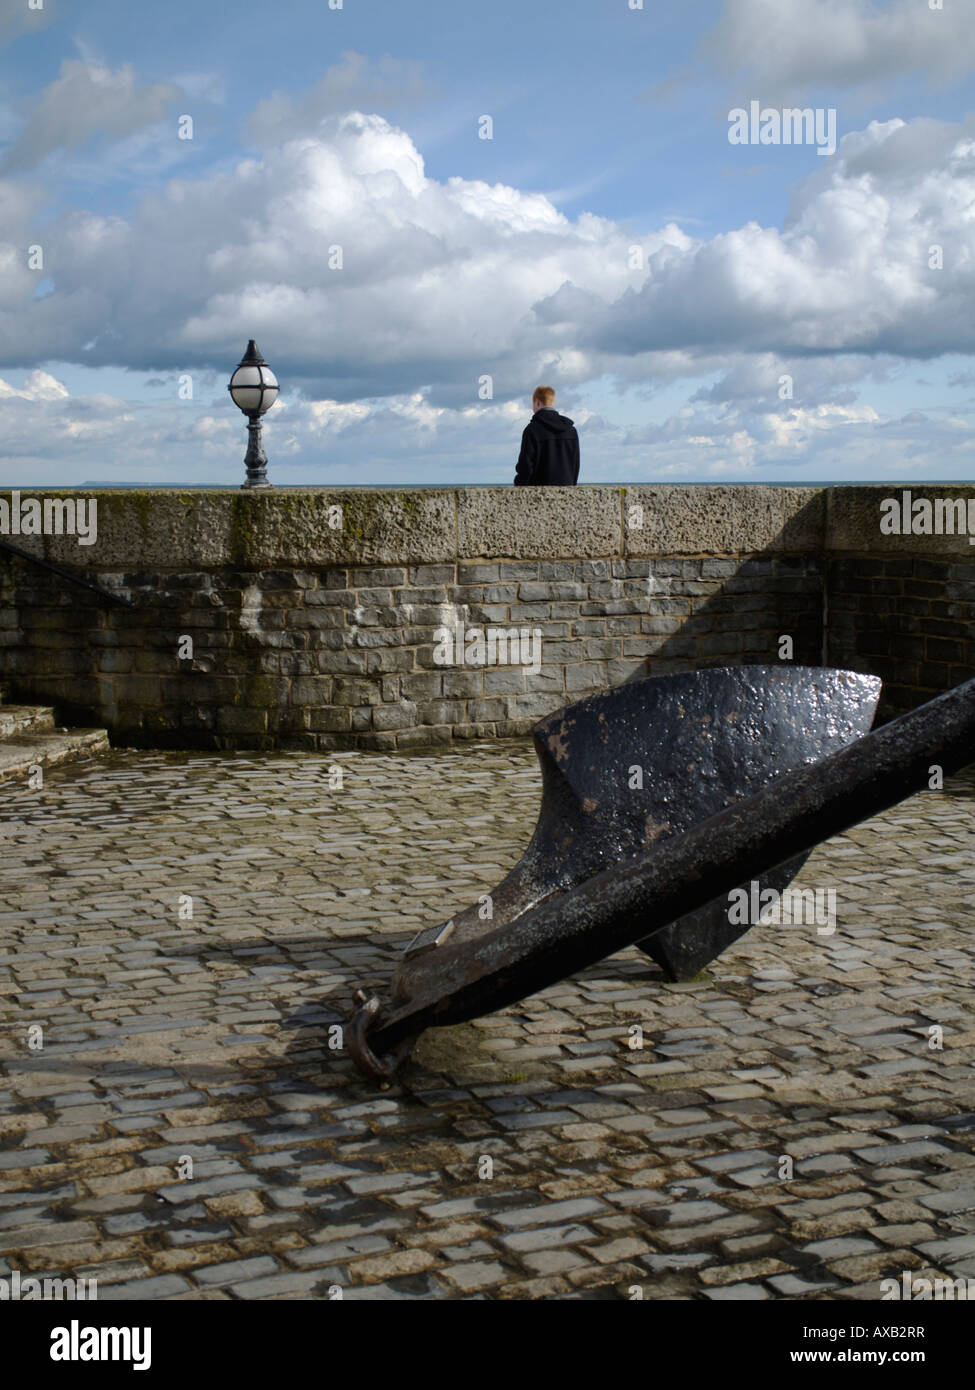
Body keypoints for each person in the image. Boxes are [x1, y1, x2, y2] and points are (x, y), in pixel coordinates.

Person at [513, 386, 580, 485]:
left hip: (538, 490)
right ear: (552, 401)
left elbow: (525, 466)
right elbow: (575, 465)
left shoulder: (532, 430)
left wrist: (518, 485)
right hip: (567, 489)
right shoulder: (571, 430)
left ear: (537, 402)